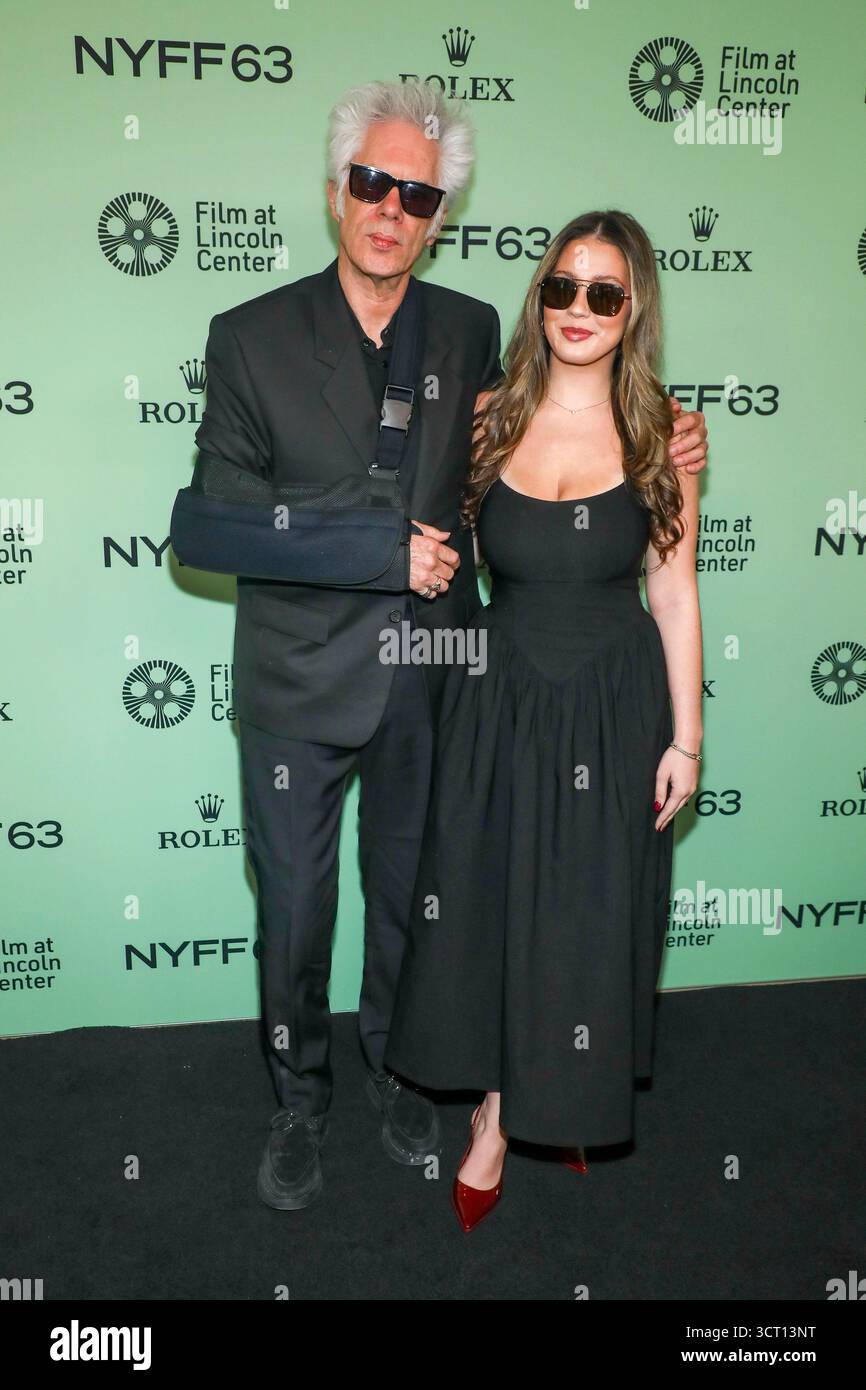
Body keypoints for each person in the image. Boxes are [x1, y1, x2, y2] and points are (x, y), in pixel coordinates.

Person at [187, 78, 709, 1212]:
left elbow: (565, 436)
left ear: (438, 212)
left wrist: (666, 426)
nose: (390, 207)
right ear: (337, 193)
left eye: (416, 193)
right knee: (292, 909)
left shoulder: (470, 333)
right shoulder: (251, 337)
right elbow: (207, 524)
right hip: (299, 680)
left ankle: (397, 1066)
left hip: (439, 679)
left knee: (416, 897)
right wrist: (377, 549)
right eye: (371, 183)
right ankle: (298, 1099)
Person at [384, 209, 703, 1232]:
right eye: (561, 287)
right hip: (500, 699)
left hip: (613, 703)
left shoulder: (664, 433)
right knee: (485, 906)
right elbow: (430, 553)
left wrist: (684, 740)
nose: (577, 309)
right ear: (540, 296)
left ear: (631, 308)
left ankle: (553, 1098)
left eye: (602, 293)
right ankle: (492, 1108)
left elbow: (675, 591)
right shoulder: (484, 419)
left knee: (584, 914)